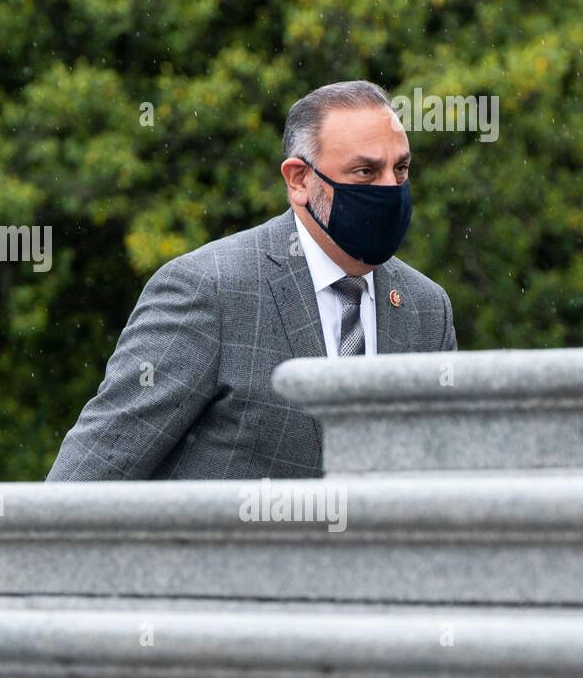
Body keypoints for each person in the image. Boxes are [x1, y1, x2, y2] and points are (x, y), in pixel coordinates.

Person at [46, 80, 456, 481]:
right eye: (365, 171)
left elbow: (446, 484)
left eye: (400, 169)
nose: (390, 189)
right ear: (299, 180)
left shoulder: (427, 308)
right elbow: (90, 475)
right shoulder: (208, 290)